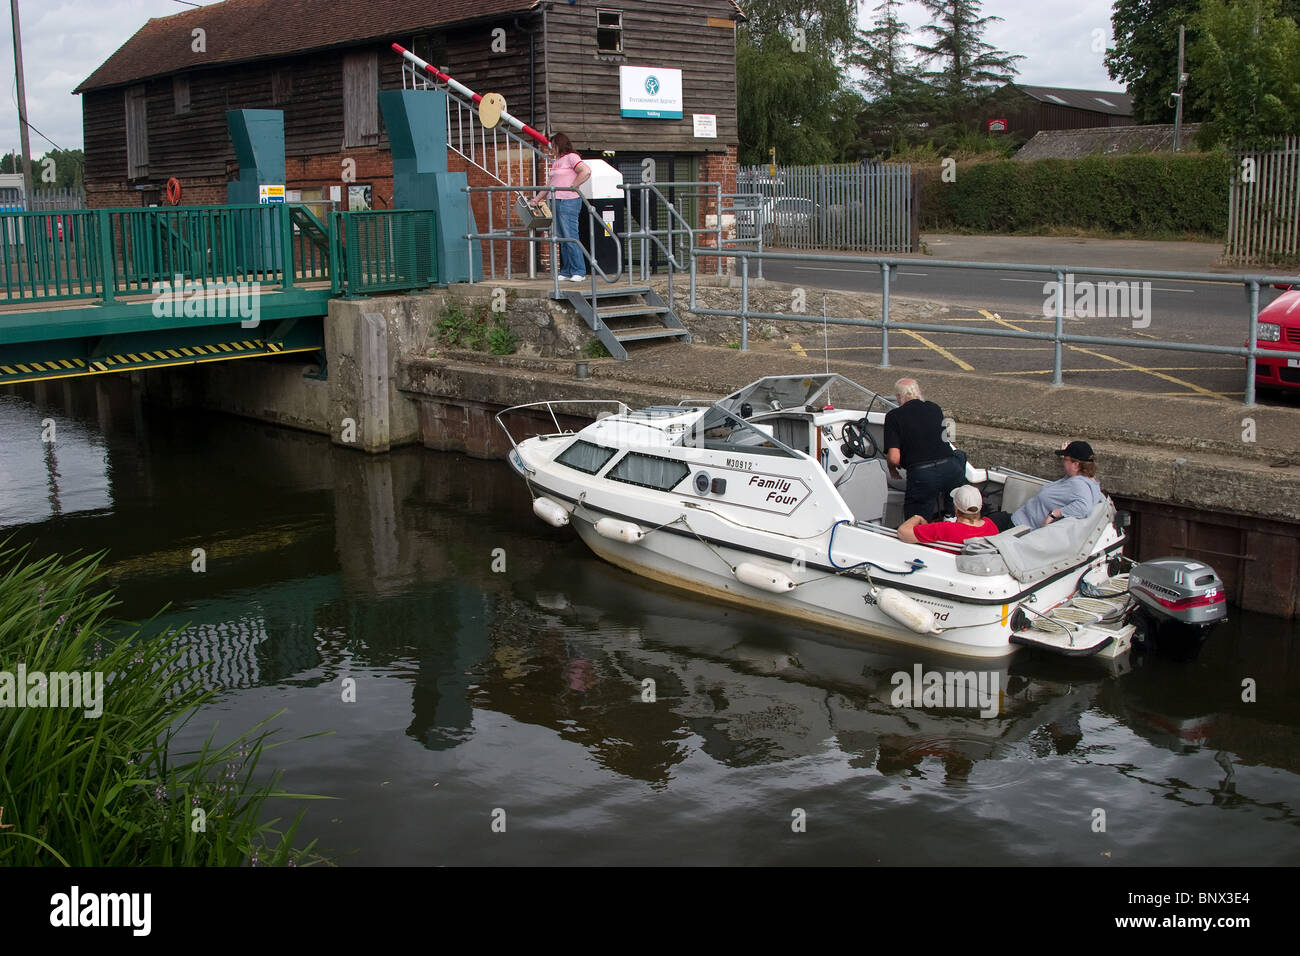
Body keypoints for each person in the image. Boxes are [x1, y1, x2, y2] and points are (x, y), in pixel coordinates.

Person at [883, 377, 966, 520]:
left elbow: (894, 458)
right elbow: (945, 440)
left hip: (923, 476)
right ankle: (949, 513)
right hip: (951, 470)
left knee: (916, 522)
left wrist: (892, 470)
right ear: (919, 392)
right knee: (960, 455)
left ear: (898, 397)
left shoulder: (893, 416)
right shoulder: (935, 408)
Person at [1011, 440, 1103, 528]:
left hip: (1018, 526)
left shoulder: (1078, 485)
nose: (1063, 462)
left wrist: (1055, 513)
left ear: (1076, 465)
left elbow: (1084, 508)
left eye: (1065, 459)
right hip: (1020, 519)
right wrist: (1067, 455)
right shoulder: (1087, 480)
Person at [543, 133, 590, 282]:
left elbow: (586, 171)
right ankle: (567, 270)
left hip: (568, 201)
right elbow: (549, 184)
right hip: (555, 201)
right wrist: (537, 199)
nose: (551, 149)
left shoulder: (571, 157)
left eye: (553, 145)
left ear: (558, 144)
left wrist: (572, 186)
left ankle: (579, 271)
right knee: (562, 238)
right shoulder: (557, 161)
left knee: (570, 236)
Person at [898, 485, 997, 546]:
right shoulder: (991, 526)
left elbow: (903, 533)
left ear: (957, 509)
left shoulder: (946, 528)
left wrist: (917, 517)